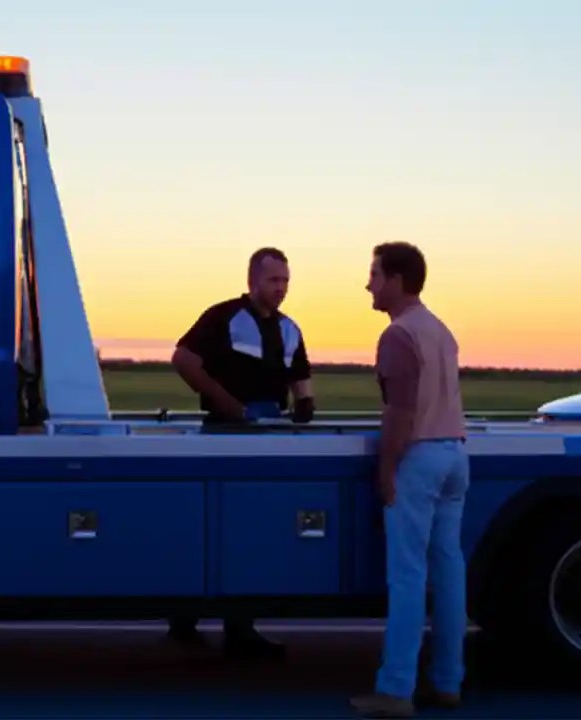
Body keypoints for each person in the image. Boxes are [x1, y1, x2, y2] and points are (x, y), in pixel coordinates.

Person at [167, 246, 315, 658]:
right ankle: (186, 619)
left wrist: (305, 402)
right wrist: (228, 404)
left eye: (286, 281)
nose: (281, 288)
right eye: (273, 280)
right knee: (212, 530)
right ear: (252, 281)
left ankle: (237, 627)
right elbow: (183, 359)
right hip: (223, 436)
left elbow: (300, 374)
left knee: (254, 532)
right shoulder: (223, 317)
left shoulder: (289, 329)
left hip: (269, 438)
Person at [350, 242, 469, 718]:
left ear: (397, 281)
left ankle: (396, 690)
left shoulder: (398, 335)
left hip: (418, 457)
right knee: (449, 572)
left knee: (407, 576)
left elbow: (400, 411)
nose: (369, 285)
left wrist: (387, 469)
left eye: (375, 275)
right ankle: (448, 681)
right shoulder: (440, 329)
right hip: (455, 453)